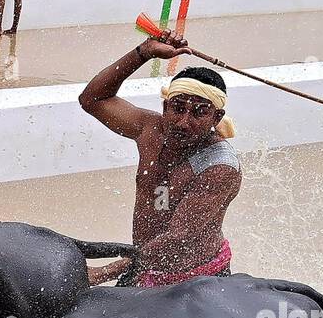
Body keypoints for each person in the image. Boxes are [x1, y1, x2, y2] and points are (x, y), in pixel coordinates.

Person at [78, 32, 241, 287]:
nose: (184, 122)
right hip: (142, 264)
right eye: (178, 108)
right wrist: (143, 52)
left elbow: (180, 236)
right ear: (165, 107)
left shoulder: (220, 166)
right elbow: (92, 99)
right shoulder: (150, 129)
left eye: (199, 112)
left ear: (216, 118)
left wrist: (105, 271)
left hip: (196, 278)